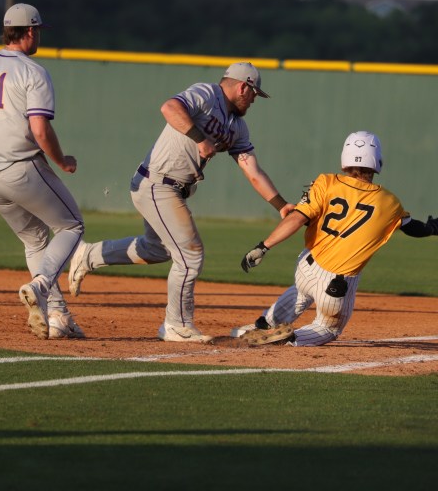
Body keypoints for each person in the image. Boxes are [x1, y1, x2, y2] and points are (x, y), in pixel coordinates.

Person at [66, 62, 295, 343]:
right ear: (243, 86)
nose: (254, 100)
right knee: (190, 255)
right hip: (157, 183)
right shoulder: (207, 93)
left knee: (156, 249)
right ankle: (176, 325)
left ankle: (89, 255)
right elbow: (169, 108)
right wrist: (200, 139)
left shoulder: (238, 127)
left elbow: (253, 171)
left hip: (171, 190)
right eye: (254, 93)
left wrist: (281, 205)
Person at [235, 130, 438, 347]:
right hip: (336, 284)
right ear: (377, 160)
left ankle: (261, 326)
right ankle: (290, 338)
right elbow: (413, 227)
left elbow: (297, 218)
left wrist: (264, 246)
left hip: (306, 266)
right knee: (328, 327)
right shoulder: (389, 202)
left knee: (301, 292)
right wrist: (432, 228)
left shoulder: (326, 182)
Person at [0, 3, 85, 340]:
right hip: (20, 169)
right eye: (38, 30)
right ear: (29, 32)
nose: (38, 35)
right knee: (71, 226)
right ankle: (40, 286)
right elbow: (40, 130)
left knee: (35, 239)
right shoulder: (33, 72)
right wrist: (62, 160)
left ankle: (58, 316)